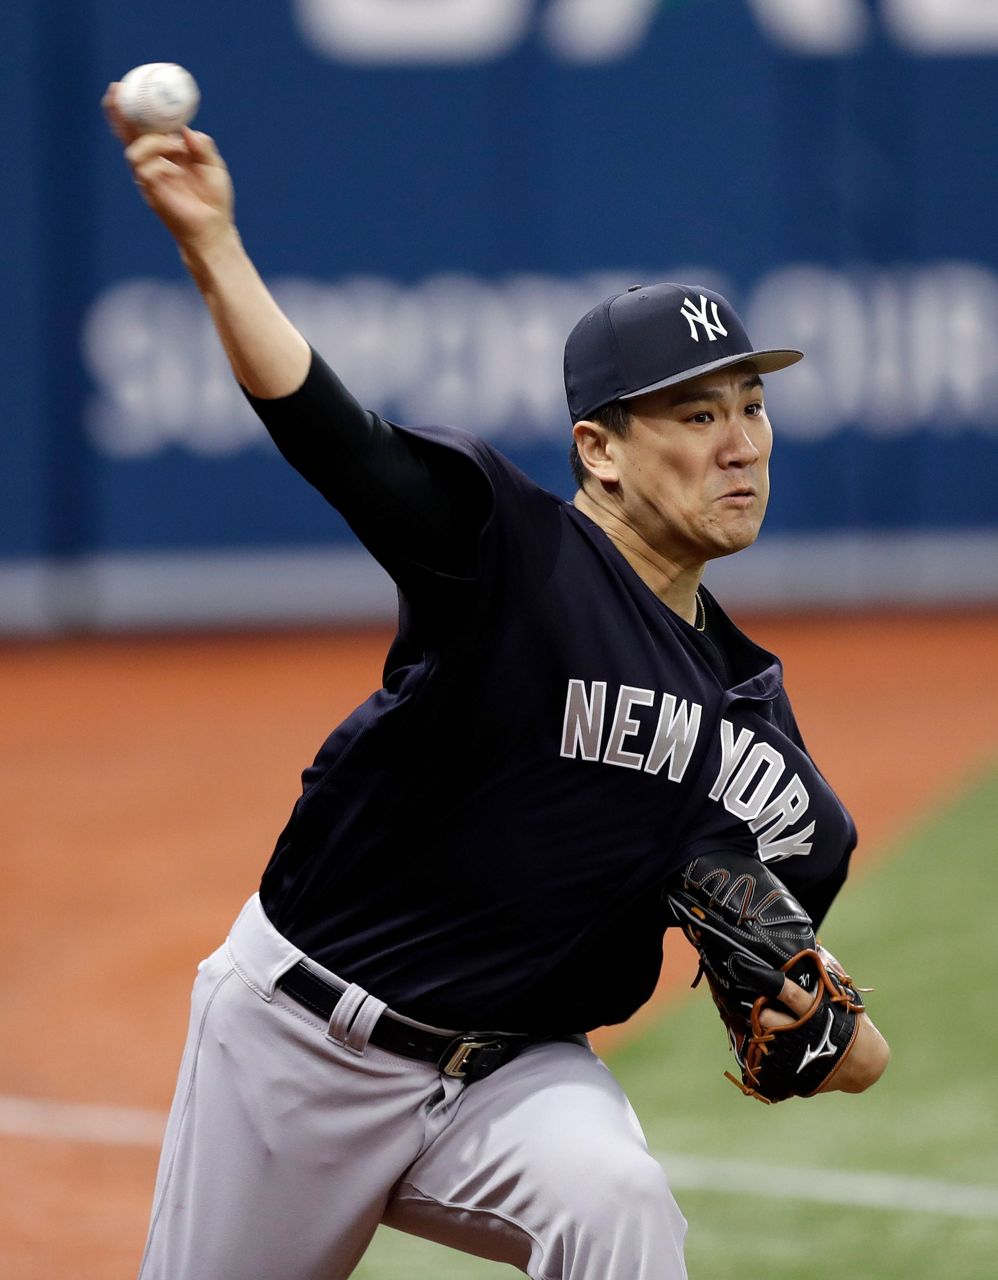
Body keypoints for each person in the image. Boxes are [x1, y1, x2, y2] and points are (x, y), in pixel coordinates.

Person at [104, 91, 889, 1280]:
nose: (740, 444)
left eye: (750, 407)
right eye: (694, 412)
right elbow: (338, 437)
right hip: (302, 1042)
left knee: (616, 1196)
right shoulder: (508, 556)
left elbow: (820, 1020)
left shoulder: (759, 747)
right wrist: (213, 247)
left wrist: (835, 1038)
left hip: (514, 1075)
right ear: (599, 450)